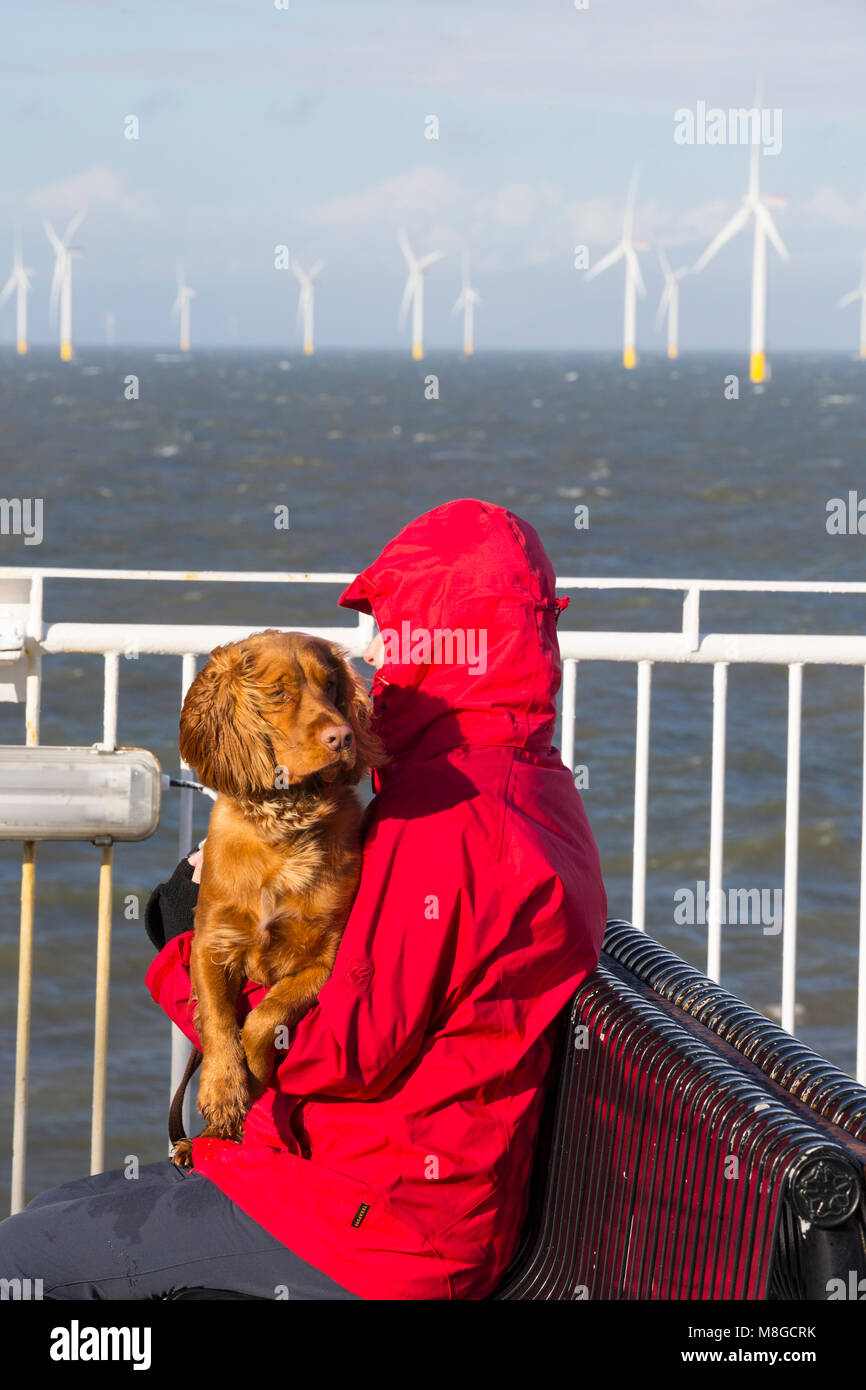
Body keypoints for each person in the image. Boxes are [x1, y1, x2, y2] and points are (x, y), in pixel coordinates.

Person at [0, 497, 606, 1301]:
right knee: (58, 1210)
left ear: (444, 639)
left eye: (395, 640)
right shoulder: (524, 785)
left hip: (376, 1232)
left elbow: (337, 1048)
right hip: (377, 1189)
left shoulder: (456, 822)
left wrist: (187, 941)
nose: (381, 670)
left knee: (22, 1265)